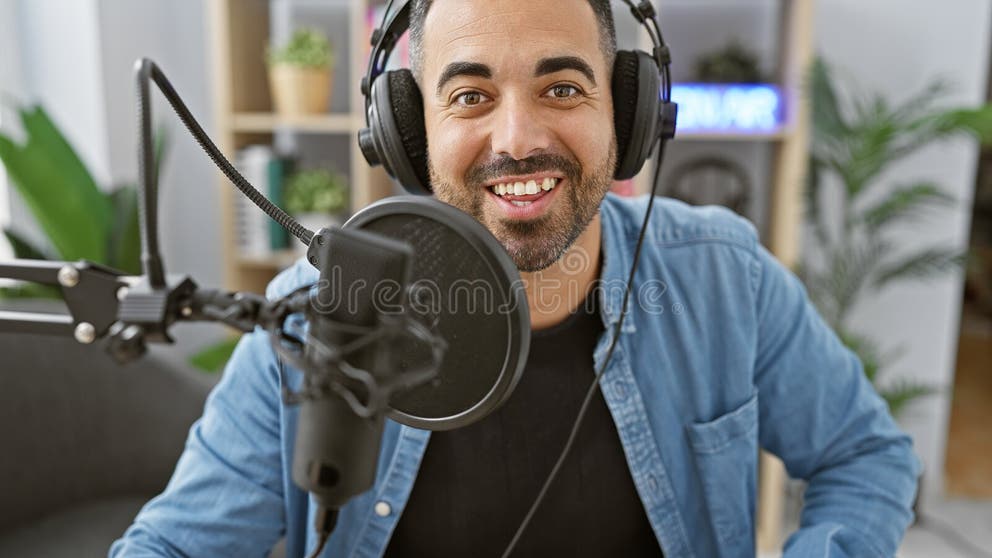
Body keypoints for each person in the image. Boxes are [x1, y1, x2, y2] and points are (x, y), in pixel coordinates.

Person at [111, 0, 921, 556]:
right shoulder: (318, 313)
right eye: (470, 96)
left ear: (627, 114)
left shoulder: (724, 277)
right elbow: (171, 544)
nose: (517, 138)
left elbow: (865, 456)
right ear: (407, 134)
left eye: (562, 88)